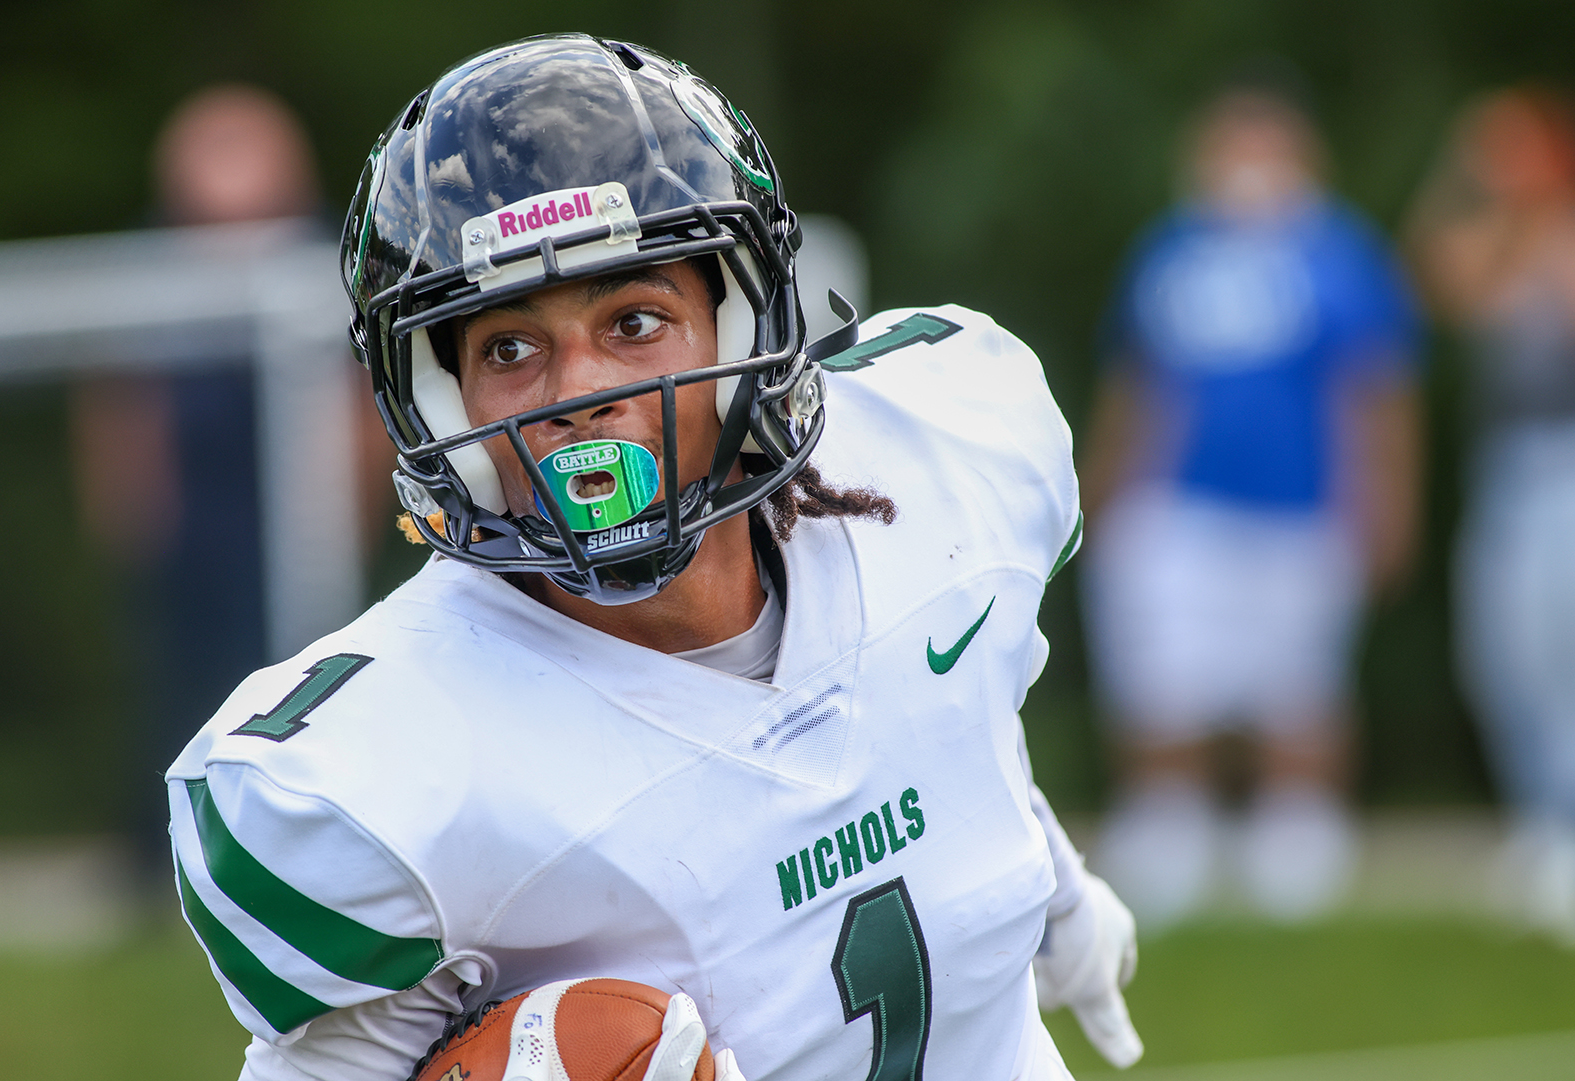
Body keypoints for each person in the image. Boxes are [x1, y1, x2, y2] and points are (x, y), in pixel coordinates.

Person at [168, 36, 1141, 1081]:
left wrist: (1045, 880)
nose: (581, 393)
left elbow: (926, 700)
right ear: (438, 400)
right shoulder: (375, 778)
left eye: (635, 321)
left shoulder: (939, 450)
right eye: (509, 348)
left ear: (738, 329)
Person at [1080, 79, 1423, 927]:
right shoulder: (1171, 254)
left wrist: (1386, 501)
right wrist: (1100, 494)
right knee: (1165, 675)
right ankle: (1171, 835)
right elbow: (1139, 385)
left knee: (1299, 682)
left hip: (1301, 511)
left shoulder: (1340, 257)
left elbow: (1375, 391)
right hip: (1179, 509)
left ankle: (1295, 842)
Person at [71, 85, 323, 882]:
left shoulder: (317, 260)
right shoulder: (155, 266)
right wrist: (128, 508)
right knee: (180, 690)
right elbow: (117, 398)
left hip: (288, 528)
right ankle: (168, 855)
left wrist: (338, 514)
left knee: (294, 689)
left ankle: (291, 849)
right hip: (189, 533)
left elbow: (351, 405)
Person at [1408, 87, 1575, 941]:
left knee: (1562, 657)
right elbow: (1439, 273)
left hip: (1567, 467)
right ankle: (1543, 822)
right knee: (1501, 656)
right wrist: (1463, 175)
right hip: (1506, 471)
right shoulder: (1501, 245)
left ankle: (1567, 829)